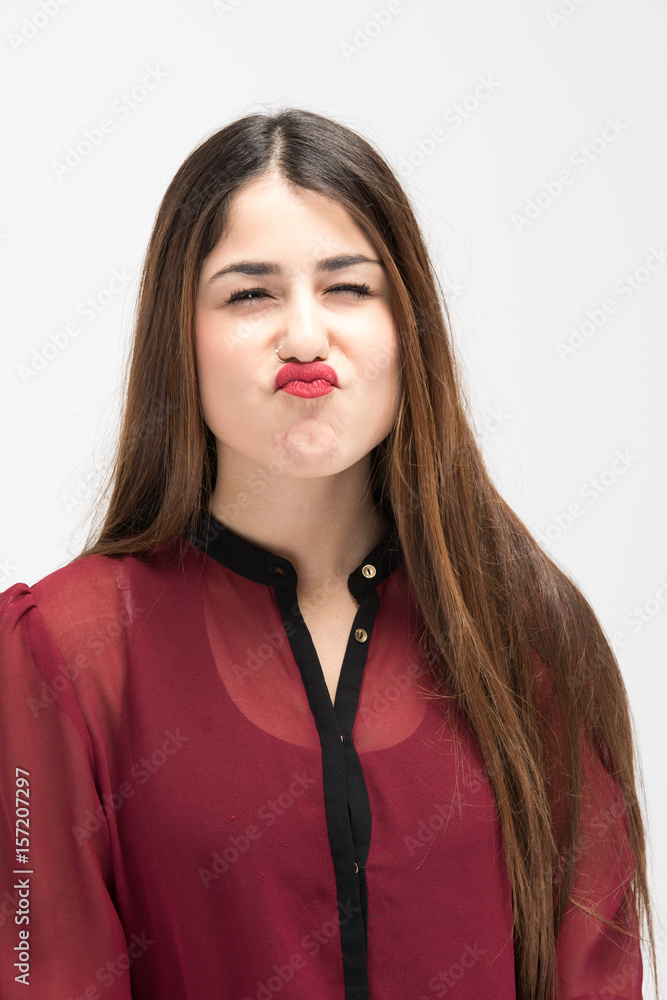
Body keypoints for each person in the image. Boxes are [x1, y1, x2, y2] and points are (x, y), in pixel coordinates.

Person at [0, 108, 659, 1000]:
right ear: (178, 337)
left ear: (406, 328)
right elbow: (46, 973)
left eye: (348, 288)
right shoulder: (64, 652)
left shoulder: (528, 635)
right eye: (249, 293)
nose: (305, 337)